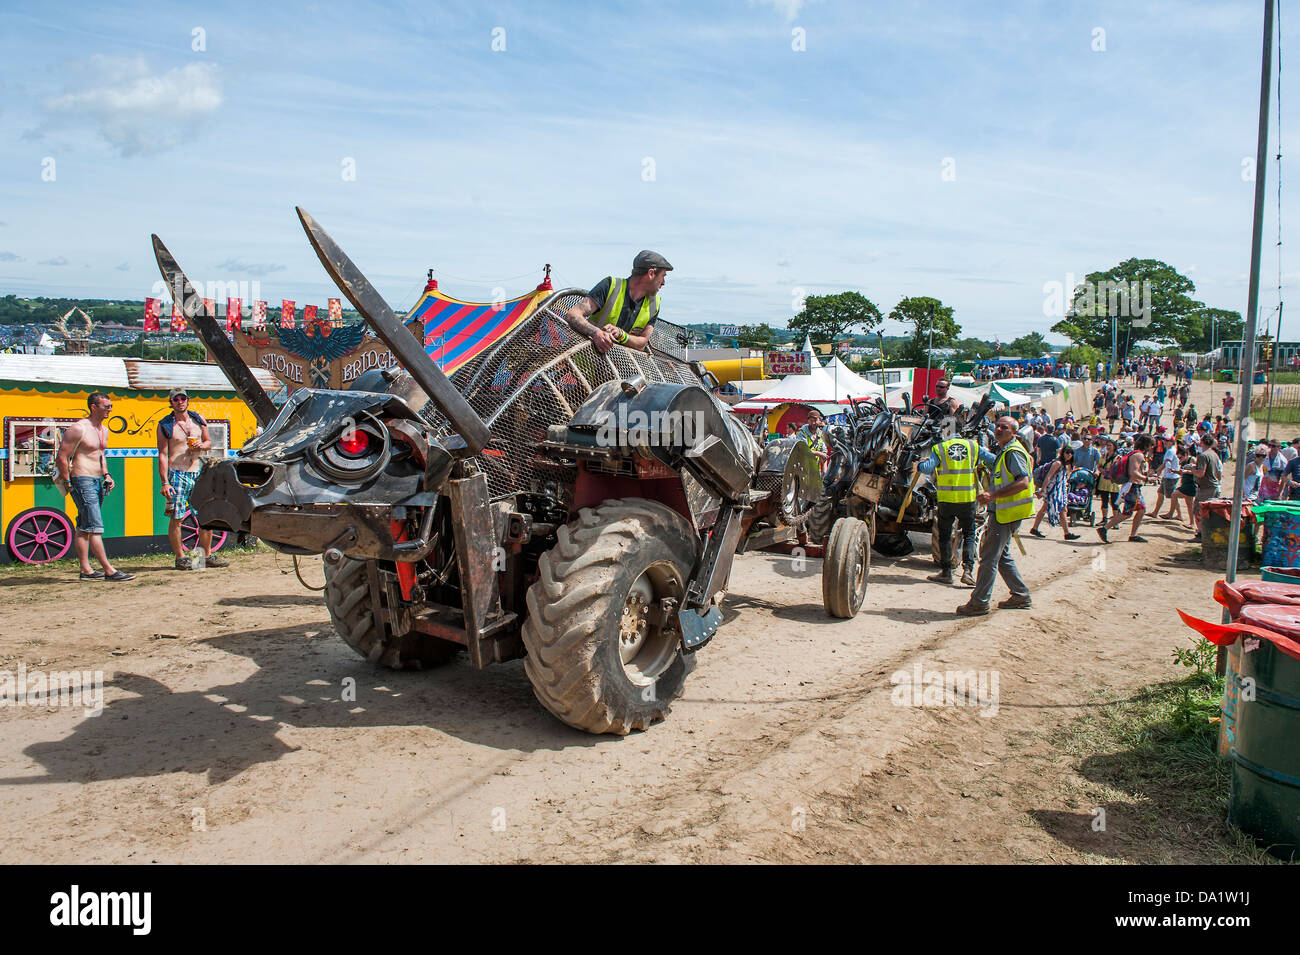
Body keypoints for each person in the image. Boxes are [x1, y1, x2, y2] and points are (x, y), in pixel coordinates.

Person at [957, 416, 1035, 616]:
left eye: (1004, 427)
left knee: (989, 557)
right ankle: (1021, 594)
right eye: (997, 426)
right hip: (1006, 512)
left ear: (1014, 432)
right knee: (1002, 556)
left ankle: (980, 602)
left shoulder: (1013, 453)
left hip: (1006, 513)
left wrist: (992, 495)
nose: (999, 429)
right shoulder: (1005, 451)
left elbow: (1023, 482)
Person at [54, 392, 134, 582]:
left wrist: (106, 474)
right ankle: (109, 570)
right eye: (106, 406)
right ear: (93, 407)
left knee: (84, 527)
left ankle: (86, 570)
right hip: (81, 479)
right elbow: (62, 457)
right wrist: (66, 482)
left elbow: (101, 454)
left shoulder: (103, 430)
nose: (110, 409)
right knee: (95, 526)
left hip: (97, 480)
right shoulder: (79, 428)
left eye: (111, 406)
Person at [157, 388, 229, 570]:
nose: (179, 401)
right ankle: (181, 558)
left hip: (197, 472)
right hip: (178, 473)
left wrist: (202, 445)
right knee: (177, 517)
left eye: (182, 398)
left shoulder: (198, 420)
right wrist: (164, 481)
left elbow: (209, 442)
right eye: (176, 399)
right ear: (171, 402)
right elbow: (162, 455)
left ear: (188, 400)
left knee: (205, 516)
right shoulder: (166, 425)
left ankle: (206, 556)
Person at [919, 432, 995, 586]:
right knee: (969, 534)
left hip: (947, 500)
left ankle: (946, 572)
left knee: (945, 536)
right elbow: (993, 460)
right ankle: (967, 571)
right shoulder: (973, 446)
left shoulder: (940, 447)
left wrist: (921, 462)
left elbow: (926, 469)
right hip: (967, 499)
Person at [564, 251, 672, 353]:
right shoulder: (610, 286)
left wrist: (622, 335)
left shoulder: (654, 304)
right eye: (662, 276)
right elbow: (573, 315)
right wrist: (596, 333)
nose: (663, 283)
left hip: (617, 369)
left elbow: (642, 343)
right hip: (584, 360)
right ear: (651, 274)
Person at [1098, 432, 1154, 543]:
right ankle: (1104, 529)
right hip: (1132, 487)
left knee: (1141, 510)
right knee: (1127, 513)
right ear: (1147, 445)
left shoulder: (1135, 454)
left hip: (1134, 486)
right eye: (1151, 445)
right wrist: (1146, 479)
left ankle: (1133, 535)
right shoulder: (1138, 455)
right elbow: (1133, 472)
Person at [1028, 445, 1080, 540]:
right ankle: (1066, 533)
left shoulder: (1066, 464)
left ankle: (1036, 528)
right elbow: (1048, 476)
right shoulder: (1058, 463)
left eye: (1071, 453)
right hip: (1053, 490)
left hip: (1059, 490)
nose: (1069, 455)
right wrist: (1043, 489)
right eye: (1067, 452)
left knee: (1057, 508)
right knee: (1056, 509)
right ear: (1063, 453)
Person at [1187, 433, 1223, 542]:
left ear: (1202, 442)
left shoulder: (1203, 456)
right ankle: (1208, 533)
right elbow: (1218, 473)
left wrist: (1192, 469)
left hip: (1206, 488)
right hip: (1214, 486)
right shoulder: (1214, 454)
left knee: (1198, 511)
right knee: (1210, 512)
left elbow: (1200, 473)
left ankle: (1201, 535)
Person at [1151, 430, 1181, 519]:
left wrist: (1157, 472)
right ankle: (1155, 512)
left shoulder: (1170, 451)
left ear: (1172, 442)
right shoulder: (1171, 450)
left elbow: (1166, 464)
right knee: (1160, 493)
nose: (1165, 442)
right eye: (1164, 440)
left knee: (1172, 496)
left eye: (1167, 441)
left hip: (1170, 476)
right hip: (1169, 476)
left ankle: (1177, 514)